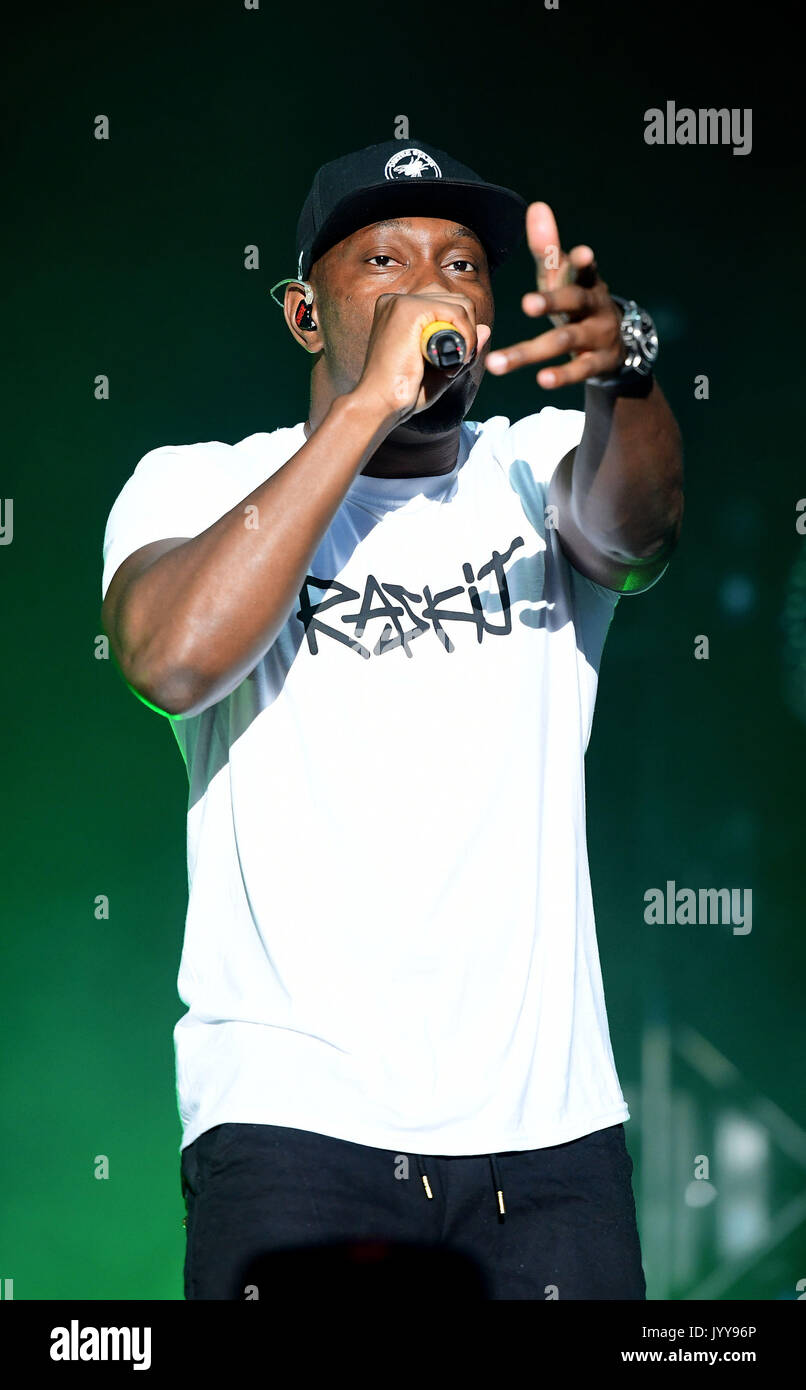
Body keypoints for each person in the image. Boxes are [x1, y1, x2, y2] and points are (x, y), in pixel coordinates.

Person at [100, 137, 683, 1300]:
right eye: (384, 259)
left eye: (461, 265)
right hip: (292, 1135)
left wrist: (627, 367)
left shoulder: (536, 465)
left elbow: (636, 529)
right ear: (304, 314)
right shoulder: (194, 482)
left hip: (546, 1146)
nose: (433, 286)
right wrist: (368, 411)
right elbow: (172, 657)